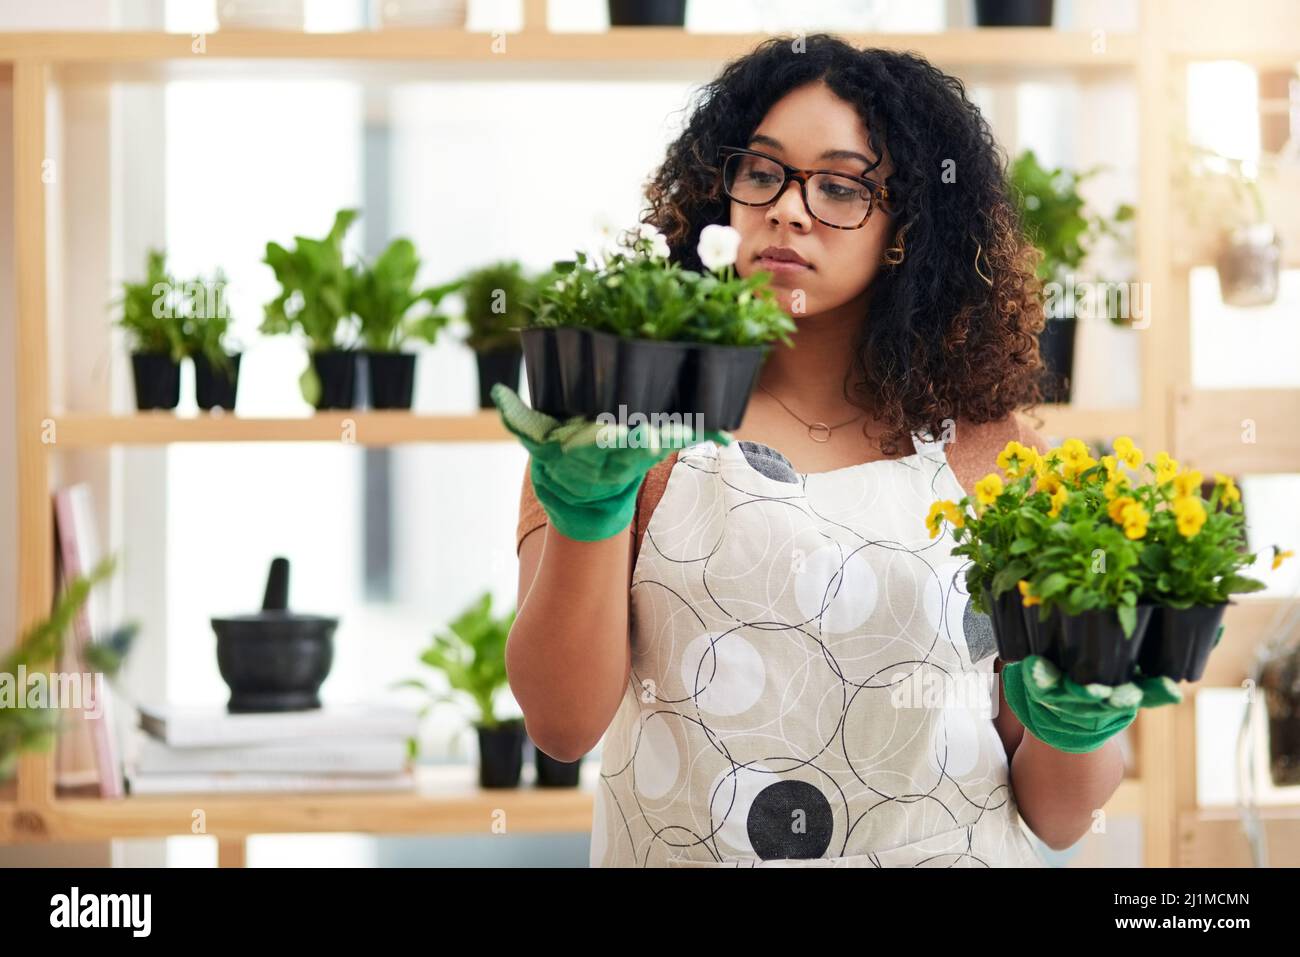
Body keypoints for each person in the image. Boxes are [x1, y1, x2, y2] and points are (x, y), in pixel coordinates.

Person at [493, 35, 1163, 867]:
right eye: (762, 172)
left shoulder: (997, 456)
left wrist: (1080, 720)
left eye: (841, 186)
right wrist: (587, 516)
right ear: (722, 192)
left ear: (904, 228)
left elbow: (1057, 817)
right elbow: (561, 727)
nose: (788, 208)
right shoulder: (623, 427)